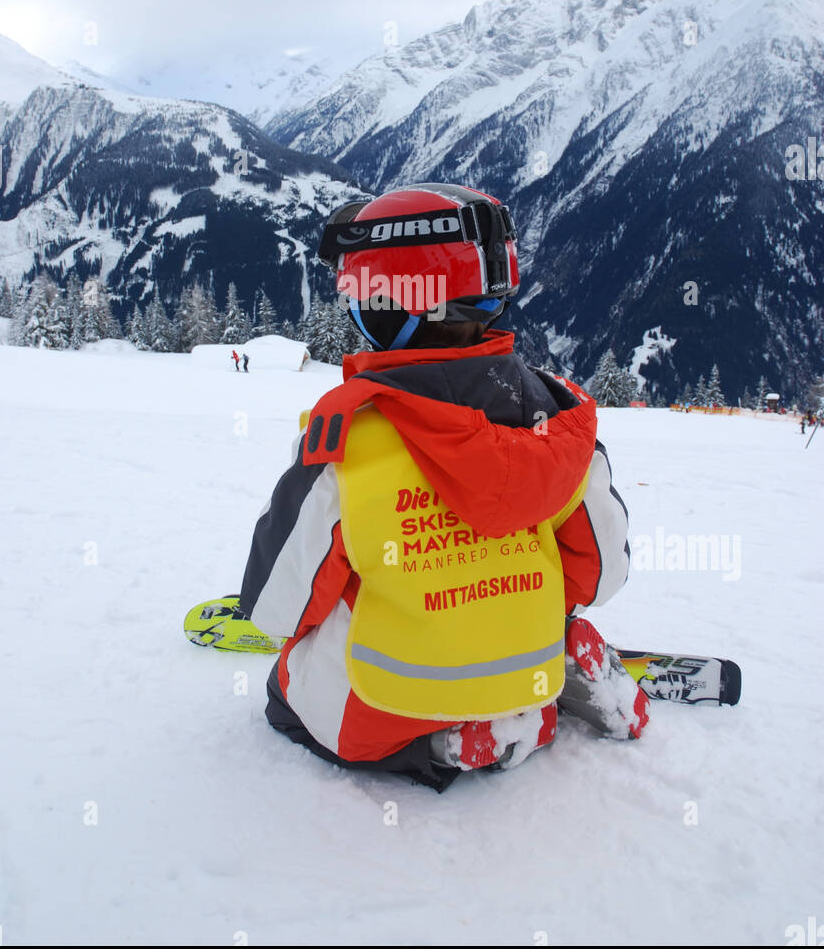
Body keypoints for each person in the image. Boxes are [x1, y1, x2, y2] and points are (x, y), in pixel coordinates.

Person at [239, 183, 648, 790]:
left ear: (400, 303)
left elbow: (279, 604)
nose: (353, 298)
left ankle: (443, 743)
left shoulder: (347, 442)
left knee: (286, 696)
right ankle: (533, 680)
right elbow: (600, 575)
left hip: (383, 702)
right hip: (525, 668)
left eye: (361, 286)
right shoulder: (559, 429)